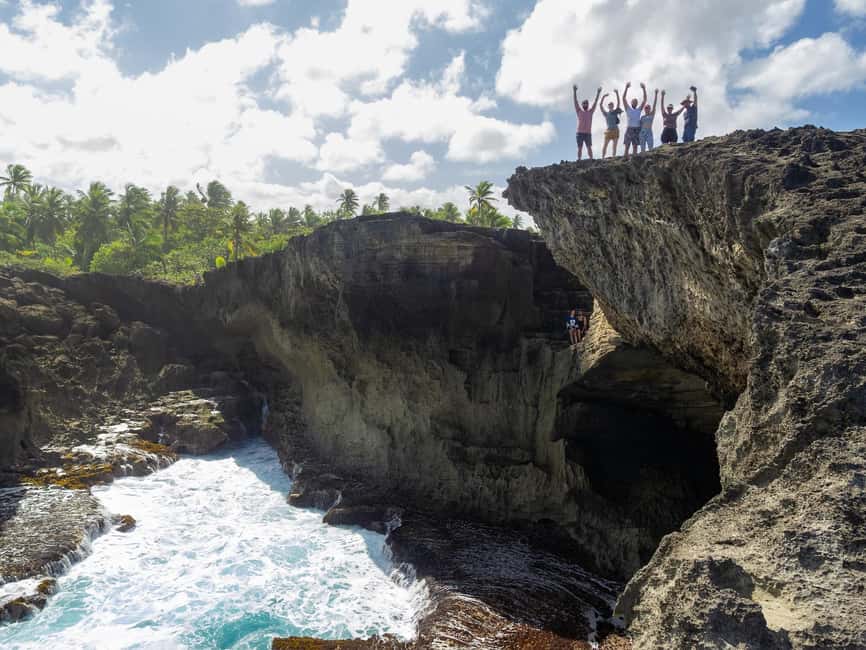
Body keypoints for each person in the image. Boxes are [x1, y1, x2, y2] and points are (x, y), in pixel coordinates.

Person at [573, 84, 602, 160]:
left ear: (588, 105)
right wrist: (574, 91)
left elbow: (595, 102)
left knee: (589, 147)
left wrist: (598, 93)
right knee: (580, 147)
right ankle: (579, 159)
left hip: (588, 133)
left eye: (587, 103)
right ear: (582, 105)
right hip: (580, 133)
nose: (585, 104)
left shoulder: (590, 111)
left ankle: (591, 159)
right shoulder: (579, 111)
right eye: (584, 103)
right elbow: (575, 101)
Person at [622, 82, 648, 159]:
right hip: (629, 128)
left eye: (636, 102)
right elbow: (623, 98)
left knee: (635, 145)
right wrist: (626, 88)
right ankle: (625, 157)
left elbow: (644, 100)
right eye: (634, 102)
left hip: (637, 129)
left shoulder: (639, 110)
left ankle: (634, 158)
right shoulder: (628, 109)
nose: (635, 103)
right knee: (627, 145)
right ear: (631, 102)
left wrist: (644, 89)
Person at [600, 90, 622, 159]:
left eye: (612, 105)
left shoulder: (615, 112)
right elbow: (600, 105)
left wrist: (617, 93)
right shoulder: (606, 114)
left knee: (614, 145)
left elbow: (619, 102)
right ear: (608, 107)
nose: (611, 106)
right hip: (609, 130)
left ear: (613, 106)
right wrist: (603, 96)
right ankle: (603, 157)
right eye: (610, 105)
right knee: (605, 144)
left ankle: (614, 157)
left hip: (615, 130)